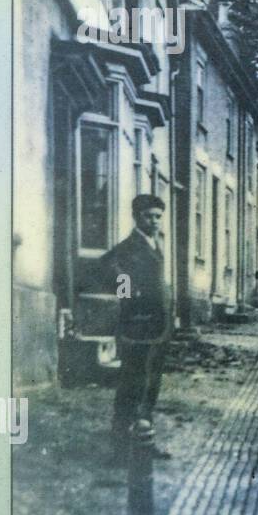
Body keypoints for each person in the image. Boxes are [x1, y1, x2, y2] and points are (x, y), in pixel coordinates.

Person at [102, 194, 172, 463]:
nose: (154, 221)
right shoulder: (128, 247)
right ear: (136, 217)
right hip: (136, 329)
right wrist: (130, 294)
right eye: (148, 216)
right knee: (131, 387)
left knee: (150, 387)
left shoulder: (155, 244)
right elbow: (107, 269)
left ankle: (144, 442)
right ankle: (120, 451)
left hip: (157, 329)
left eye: (157, 216)